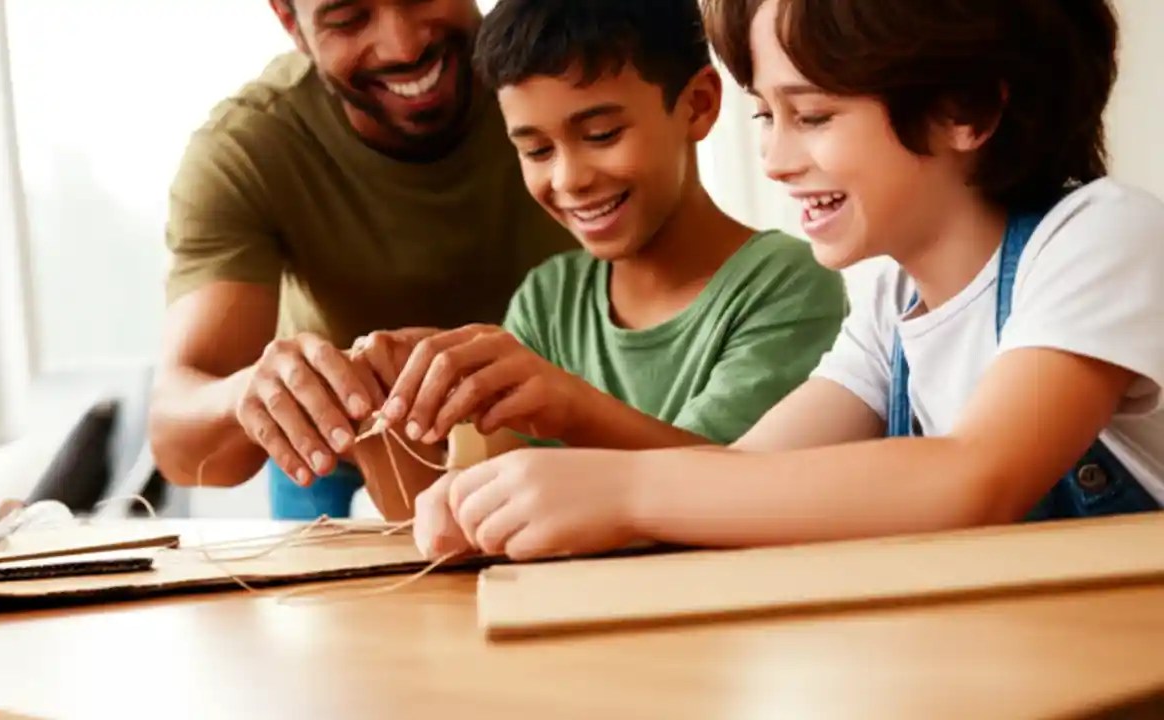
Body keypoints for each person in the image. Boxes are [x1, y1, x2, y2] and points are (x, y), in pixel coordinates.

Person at [413, 0, 1164, 561]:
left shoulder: (1100, 238)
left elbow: (974, 477)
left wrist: (624, 492)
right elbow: (742, 478)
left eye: (810, 116)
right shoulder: (889, 303)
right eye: (764, 116)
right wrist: (508, 499)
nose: (774, 160)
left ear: (963, 109)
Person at [147, 0, 576, 520]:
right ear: (291, 23)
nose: (404, 47)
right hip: (336, 454)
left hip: (571, 429)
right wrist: (248, 395)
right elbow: (179, 446)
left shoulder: (576, 72)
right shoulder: (248, 148)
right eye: (348, 19)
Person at [371, 0, 845, 464]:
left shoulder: (790, 284)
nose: (568, 179)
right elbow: (473, 486)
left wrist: (572, 409)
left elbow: (732, 485)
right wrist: (386, 409)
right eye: (537, 151)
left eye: (601, 135)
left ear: (697, 106)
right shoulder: (549, 300)